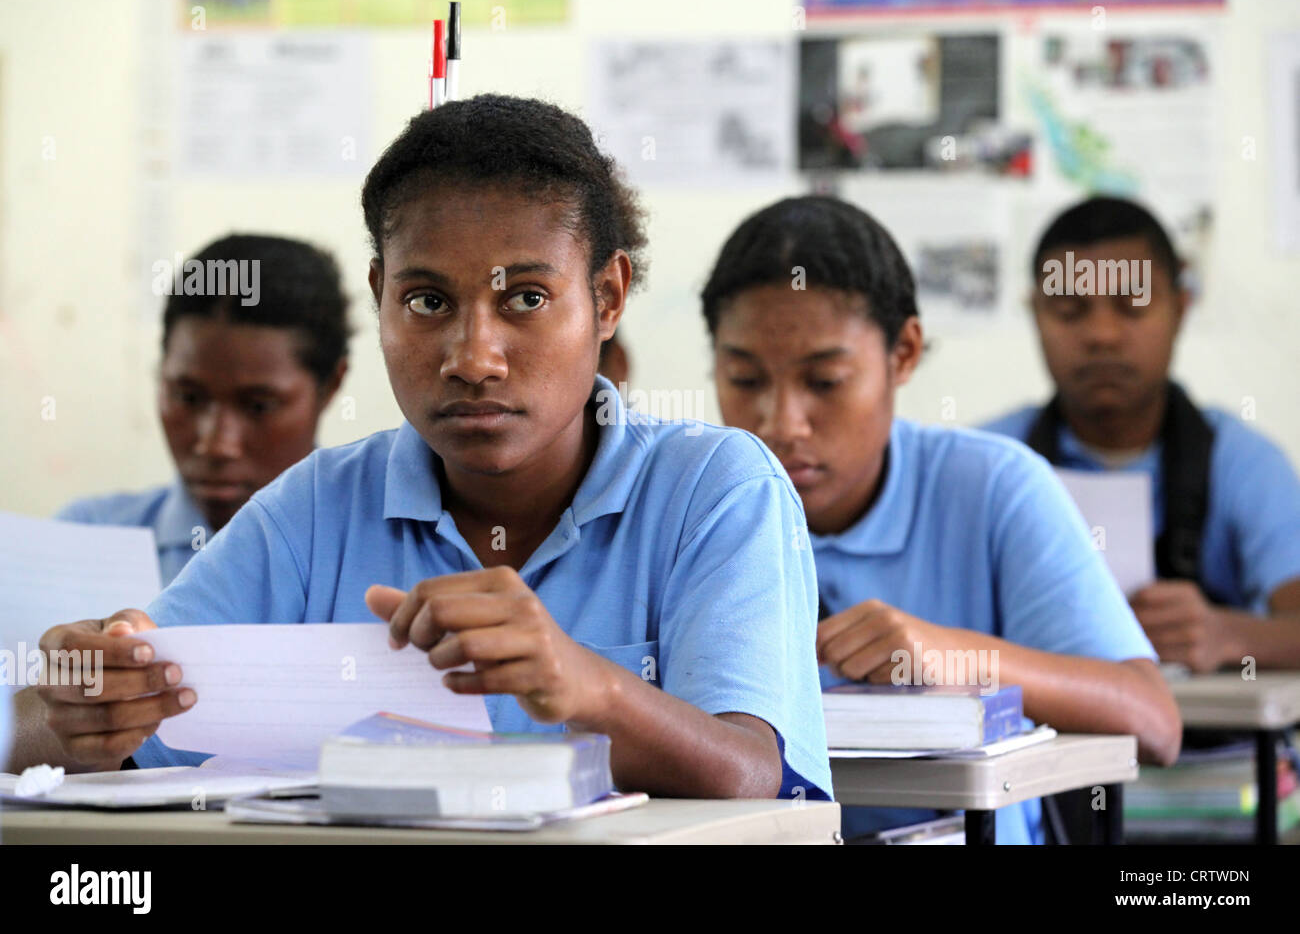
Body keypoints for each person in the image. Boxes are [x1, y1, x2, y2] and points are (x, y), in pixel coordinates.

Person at [8, 96, 832, 802]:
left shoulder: (715, 488)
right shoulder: (315, 508)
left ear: (607, 296)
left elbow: (751, 773)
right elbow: (89, 725)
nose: (473, 356)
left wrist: (588, 686)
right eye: (428, 300)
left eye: (527, 299)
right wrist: (78, 710)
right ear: (380, 299)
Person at [701, 194, 1180, 843]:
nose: (782, 422)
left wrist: (955, 655)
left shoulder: (993, 488)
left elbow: (1153, 720)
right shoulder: (695, 507)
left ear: (904, 354)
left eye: (826, 381)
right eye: (745, 379)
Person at [983, 197, 1300, 673]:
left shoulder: (1242, 462)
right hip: (1028, 744)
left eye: (1131, 306)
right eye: (1070, 310)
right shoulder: (989, 462)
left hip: (1214, 747)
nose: (1102, 334)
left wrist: (1224, 633)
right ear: (1035, 313)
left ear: (1180, 306)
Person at [56, 234, 351, 587]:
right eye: (187, 397)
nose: (216, 445)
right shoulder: (82, 543)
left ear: (331, 386)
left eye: (258, 406)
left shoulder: (384, 552)